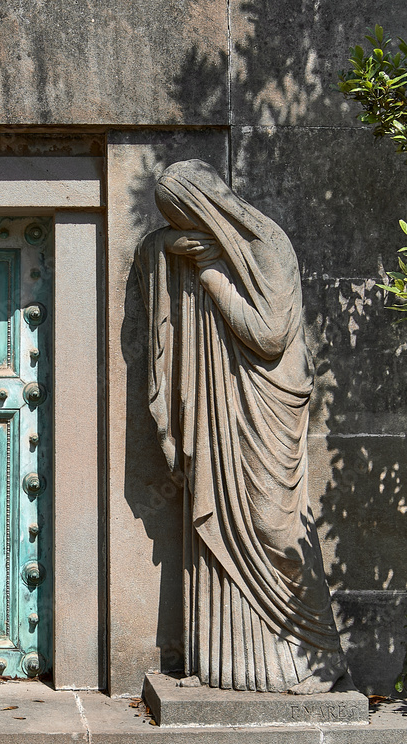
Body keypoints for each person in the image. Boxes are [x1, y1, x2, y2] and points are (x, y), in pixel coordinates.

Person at [135, 159, 345, 694]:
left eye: (187, 217)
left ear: (208, 208)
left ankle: (317, 653)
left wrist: (212, 277)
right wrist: (170, 254)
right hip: (220, 406)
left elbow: (271, 336)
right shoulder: (197, 246)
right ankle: (239, 662)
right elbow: (151, 256)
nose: (183, 231)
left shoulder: (267, 244)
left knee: (275, 527)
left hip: (265, 405)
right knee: (224, 518)